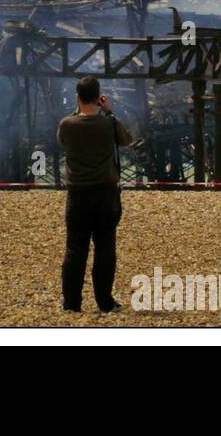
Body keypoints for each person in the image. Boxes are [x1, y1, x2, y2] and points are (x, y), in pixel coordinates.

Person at [56, 75, 133, 313]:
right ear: (99, 98)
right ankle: (105, 302)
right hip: (106, 194)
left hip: (78, 194)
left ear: (78, 97)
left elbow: (62, 142)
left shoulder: (67, 125)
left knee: (75, 249)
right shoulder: (108, 124)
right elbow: (126, 140)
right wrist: (109, 112)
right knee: (105, 248)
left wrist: (77, 108)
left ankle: (72, 304)